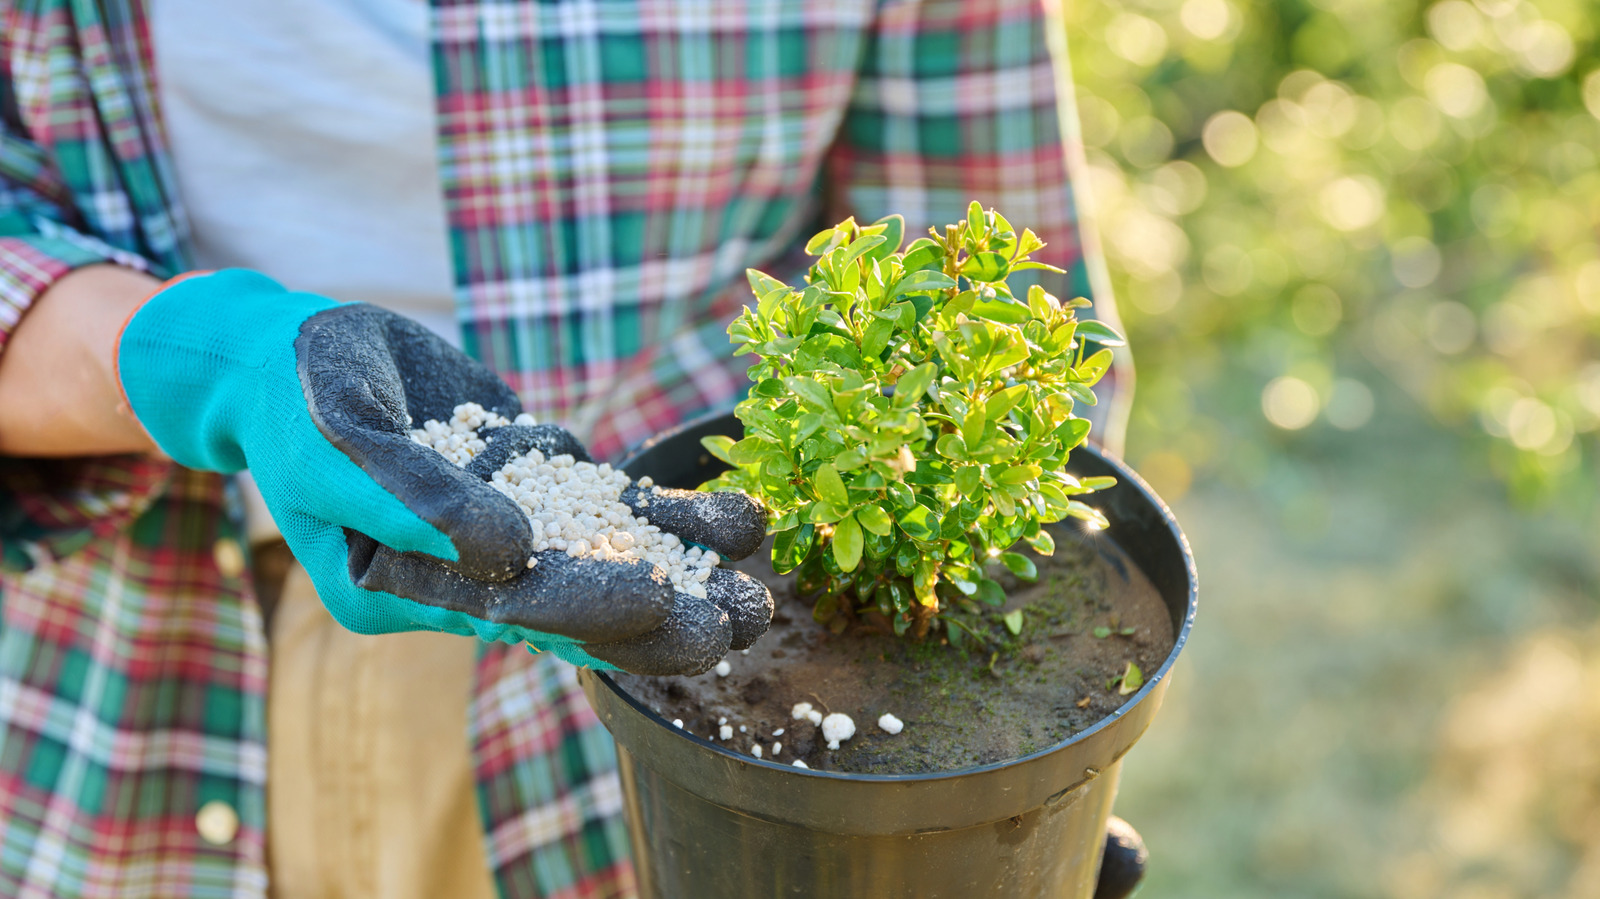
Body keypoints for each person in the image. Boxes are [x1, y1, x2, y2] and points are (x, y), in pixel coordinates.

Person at [0, 0, 1133, 896]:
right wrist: (196, 358)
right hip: (121, 651)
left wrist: (1004, 792)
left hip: (658, 699)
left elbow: (994, 302)